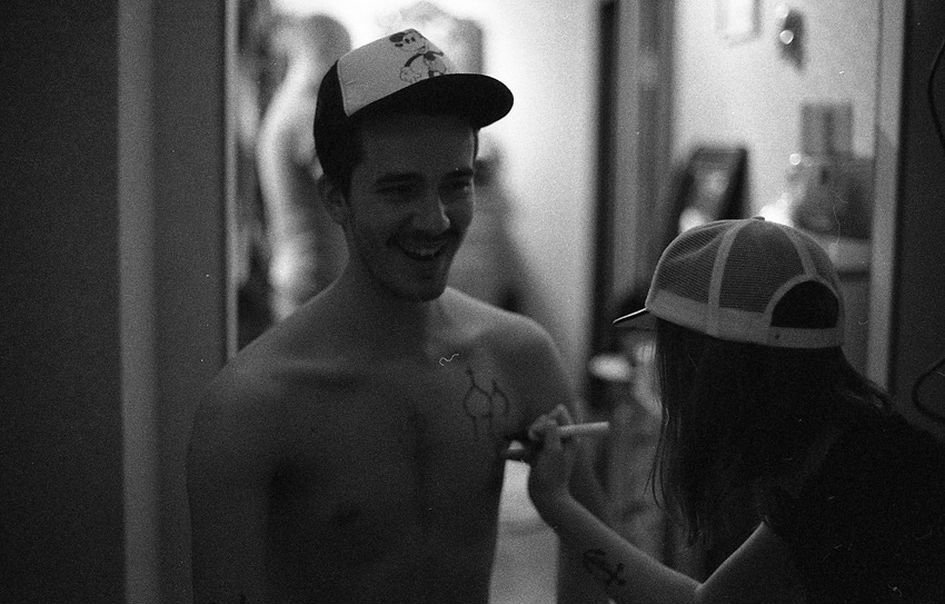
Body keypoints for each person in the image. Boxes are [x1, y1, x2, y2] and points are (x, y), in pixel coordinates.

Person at [188, 29, 608, 604]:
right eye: (400, 190)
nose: (436, 220)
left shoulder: (516, 355)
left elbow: (597, 545)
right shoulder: (253, 406)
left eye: (456, 184)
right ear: (335, 197)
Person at [525, 217, 945, 603]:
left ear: (710, 369)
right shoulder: (849, 453)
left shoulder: (857, 482)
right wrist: (559, 501)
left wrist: (557, 502)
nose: (661, 381)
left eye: (665, 357)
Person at [256, 14, 352, 321]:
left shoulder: (285, 107)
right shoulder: (306, 115)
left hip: (299, 272)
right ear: (324, 51)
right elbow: (349, 184)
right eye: (344, 56)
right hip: (315, 278)